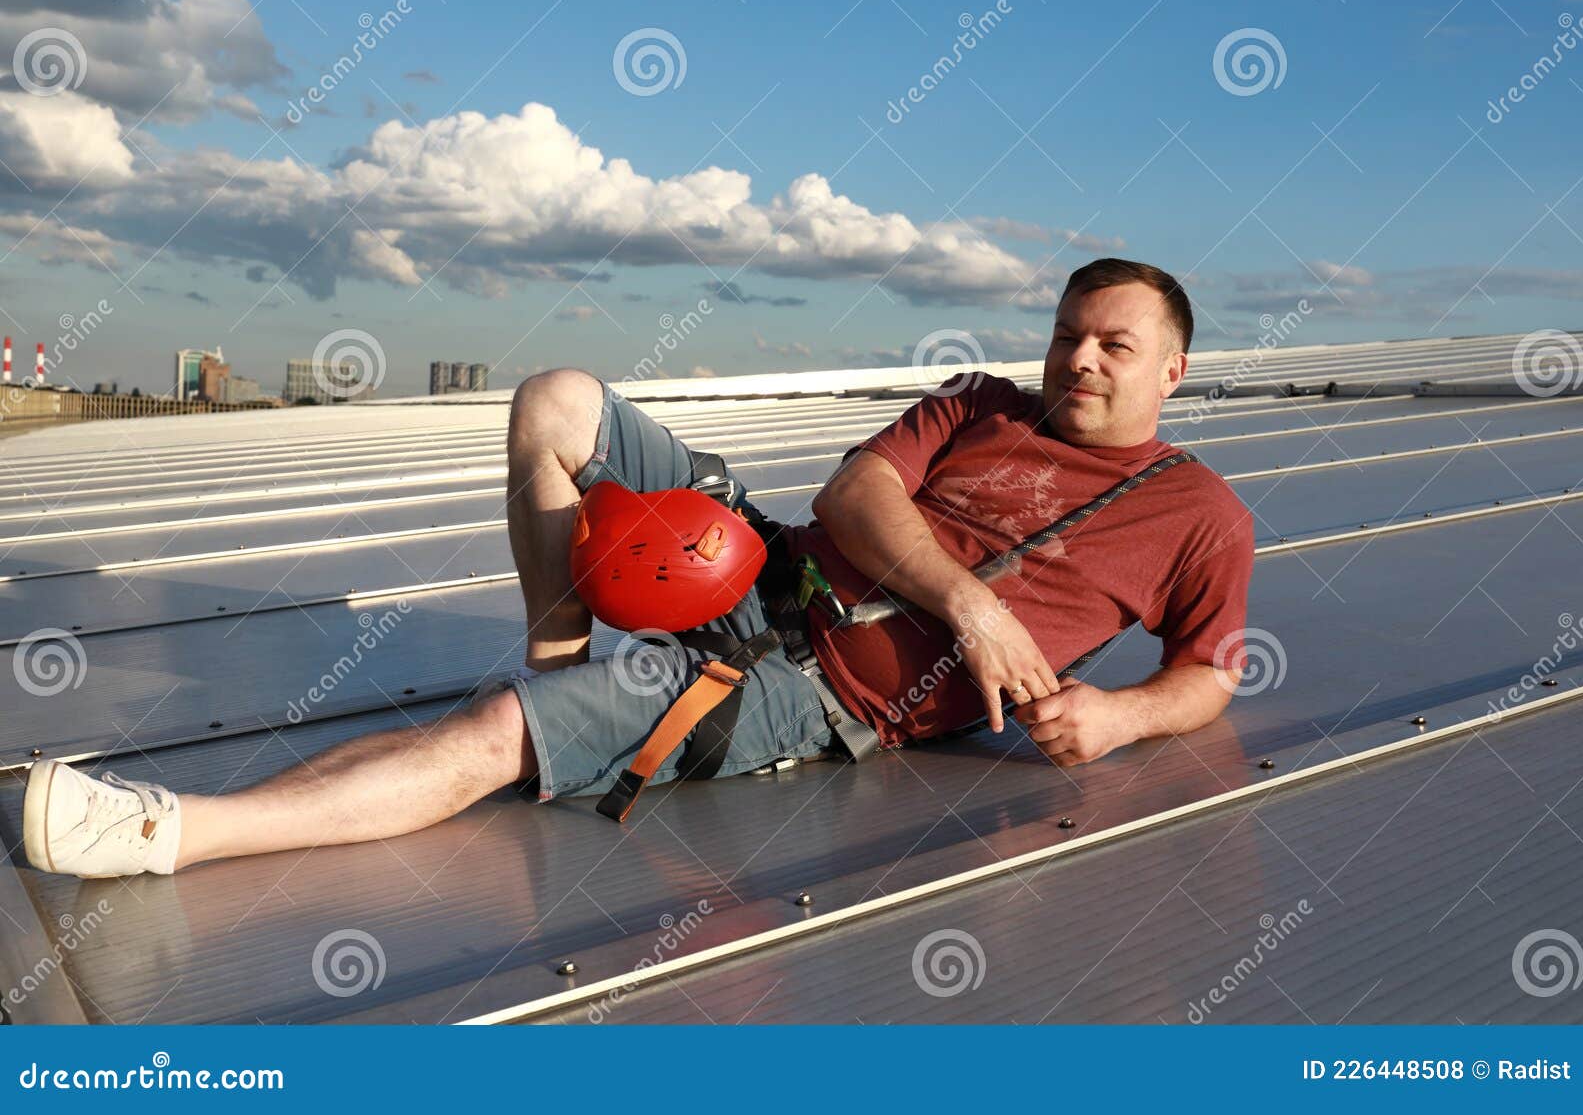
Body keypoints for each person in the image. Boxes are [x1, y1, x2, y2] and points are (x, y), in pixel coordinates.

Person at [22, 258, 1252, 880]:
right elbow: (853, 494)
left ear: (1171, 372)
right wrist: (971, 604)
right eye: (1065, 334)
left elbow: (1207, 671)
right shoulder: (980, 401)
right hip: (768, 565)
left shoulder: (1195, 513)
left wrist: (1121, 713)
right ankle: (559, 649)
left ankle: (165, 830)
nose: (1078, 359)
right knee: (558, 400)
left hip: (817, 693)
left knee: (498, 734)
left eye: (1113, 344)